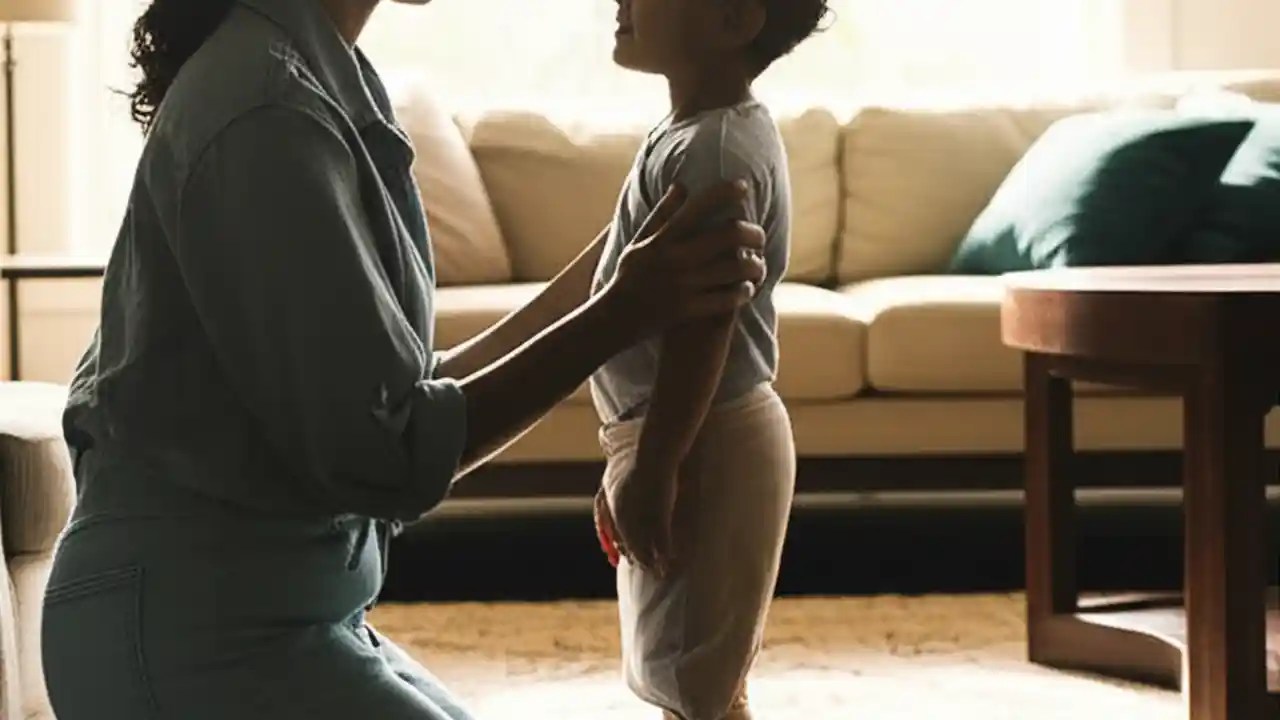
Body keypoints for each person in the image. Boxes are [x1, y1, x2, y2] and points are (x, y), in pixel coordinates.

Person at [39, 0, 769, 718]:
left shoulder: (314, 76)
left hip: (273, 610)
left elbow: (396, 393)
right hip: (189, 629)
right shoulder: (265, 111)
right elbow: (388, 450)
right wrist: (619, 313)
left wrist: (614, 281)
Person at [589, 1, 831, 718]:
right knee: (691, 675)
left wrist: (659, 465)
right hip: (681, 433)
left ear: (733, 22)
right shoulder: (690, 135)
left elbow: (705, 324)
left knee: (696, 681)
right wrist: (630, 460)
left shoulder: (715, 152)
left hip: (706, 440)